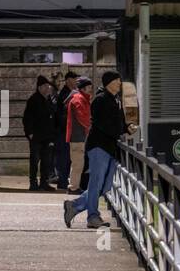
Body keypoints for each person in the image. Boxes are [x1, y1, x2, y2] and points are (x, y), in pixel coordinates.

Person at [64, 72, 130, 230]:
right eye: (117, 80)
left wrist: (126, 128)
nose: (120, 82)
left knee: (105, 186)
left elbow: (117, 122)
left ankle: (74, 205)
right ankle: (92, 216)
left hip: (108, 147)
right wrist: (119, 131)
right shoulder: (101, 100)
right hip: (99, 147)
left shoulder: (115, 100)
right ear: (109, 83)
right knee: (96, 184)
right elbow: (102, 124)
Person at [23, 74, 56, 191]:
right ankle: (33, 183)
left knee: (46, 162)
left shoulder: (48, 100)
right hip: (36, 136)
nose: (48, 88)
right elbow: (27, 118)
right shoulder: (33, 100)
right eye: (46, 86)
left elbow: (52, 116)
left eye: (49, 86)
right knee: (34, 161)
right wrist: (30, 133)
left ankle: (44, 183)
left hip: (47, 137)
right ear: (39, 87)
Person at [65, 76, 94, 194]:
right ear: (83, 88)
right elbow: (83, 117)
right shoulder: (79, 99)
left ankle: (73, 186)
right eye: (89, 87)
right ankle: (73, 187)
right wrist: (92, 124)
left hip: (78, 136)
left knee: (77, 163)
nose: (91, 90)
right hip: (77, 136)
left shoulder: (80, 98)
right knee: (78, 163)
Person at [54, 71, 78, 189]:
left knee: (67, 158)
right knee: (64, 157)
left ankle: (63, 181)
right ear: (68, 80)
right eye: (74, 79)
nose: (76, 82)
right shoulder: (64, 94)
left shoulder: (69, 92)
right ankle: (62, 181)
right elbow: (61, 113)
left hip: (66, 130)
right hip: (63, 131)